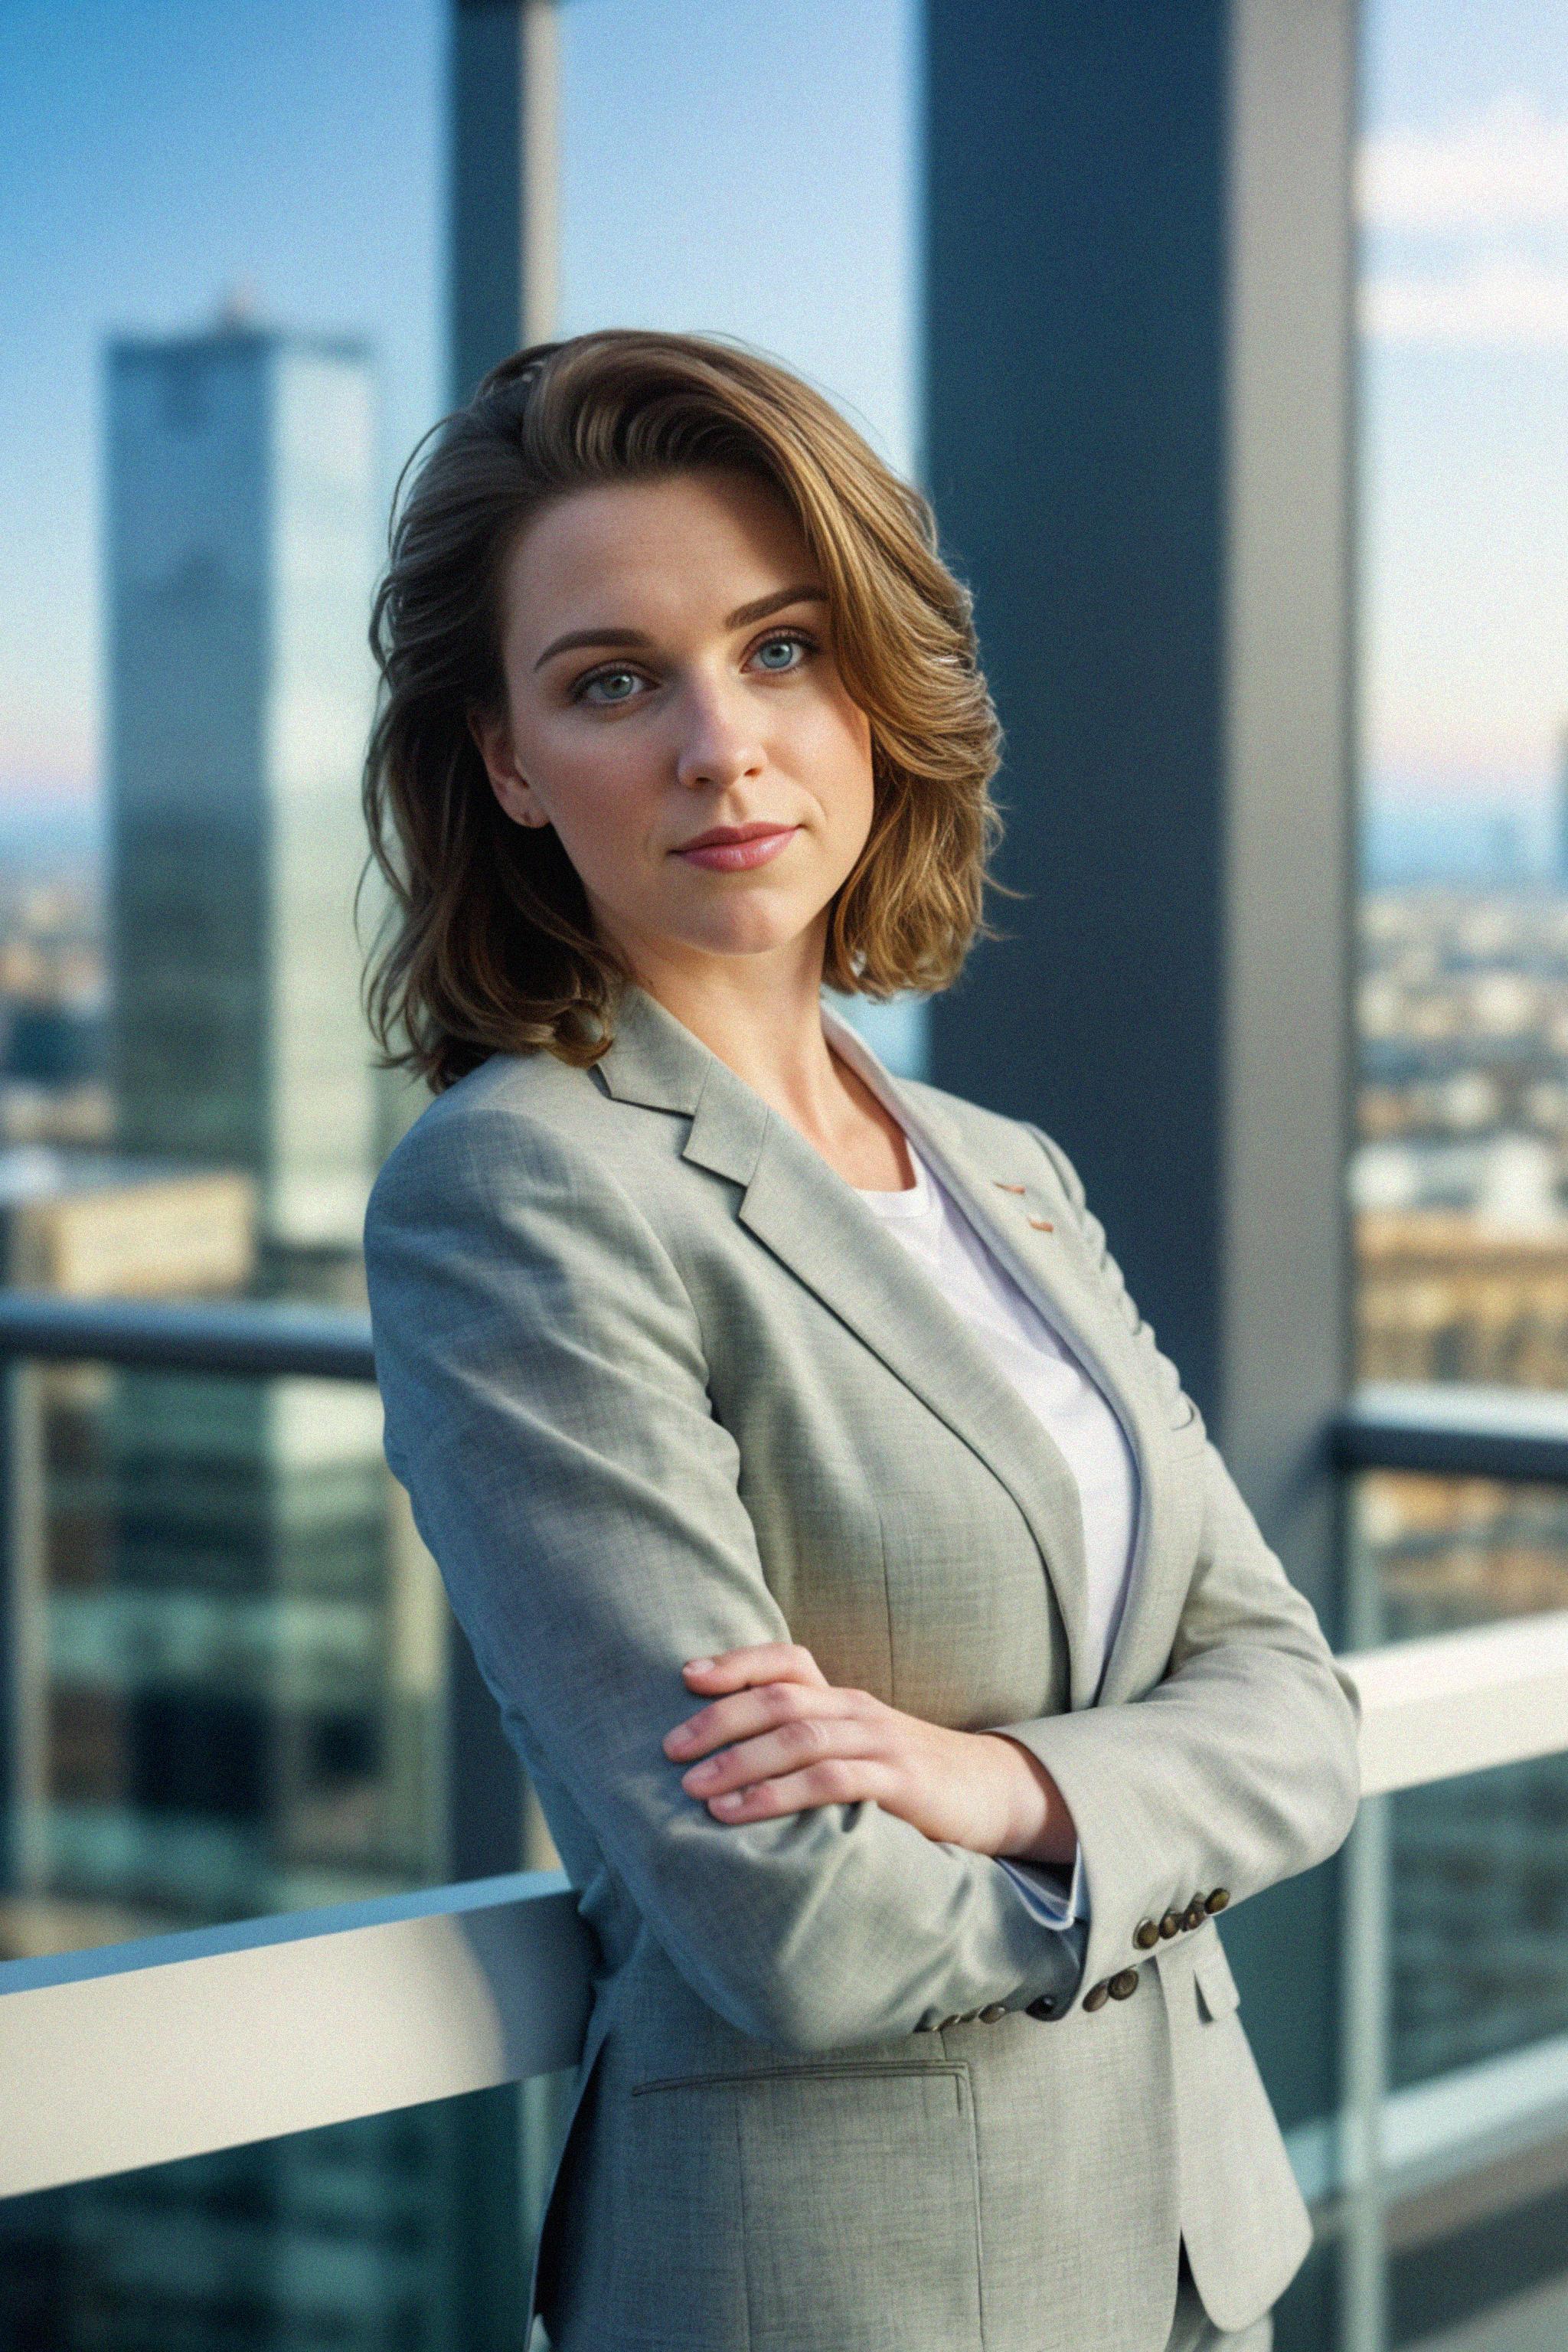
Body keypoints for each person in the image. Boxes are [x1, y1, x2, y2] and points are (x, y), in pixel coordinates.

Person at [359, 328, 1361, 2352]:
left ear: (876, 691)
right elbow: (789, 1925)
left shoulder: (1000, 1169)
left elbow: (1300, 1706)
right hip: (851, 2298)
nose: (719, 746)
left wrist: (1003, 1790)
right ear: (506, 763)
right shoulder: (522, 1191)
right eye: (612, 681)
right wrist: (1151, 1825)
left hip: (1187, 2259)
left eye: (782, 648)